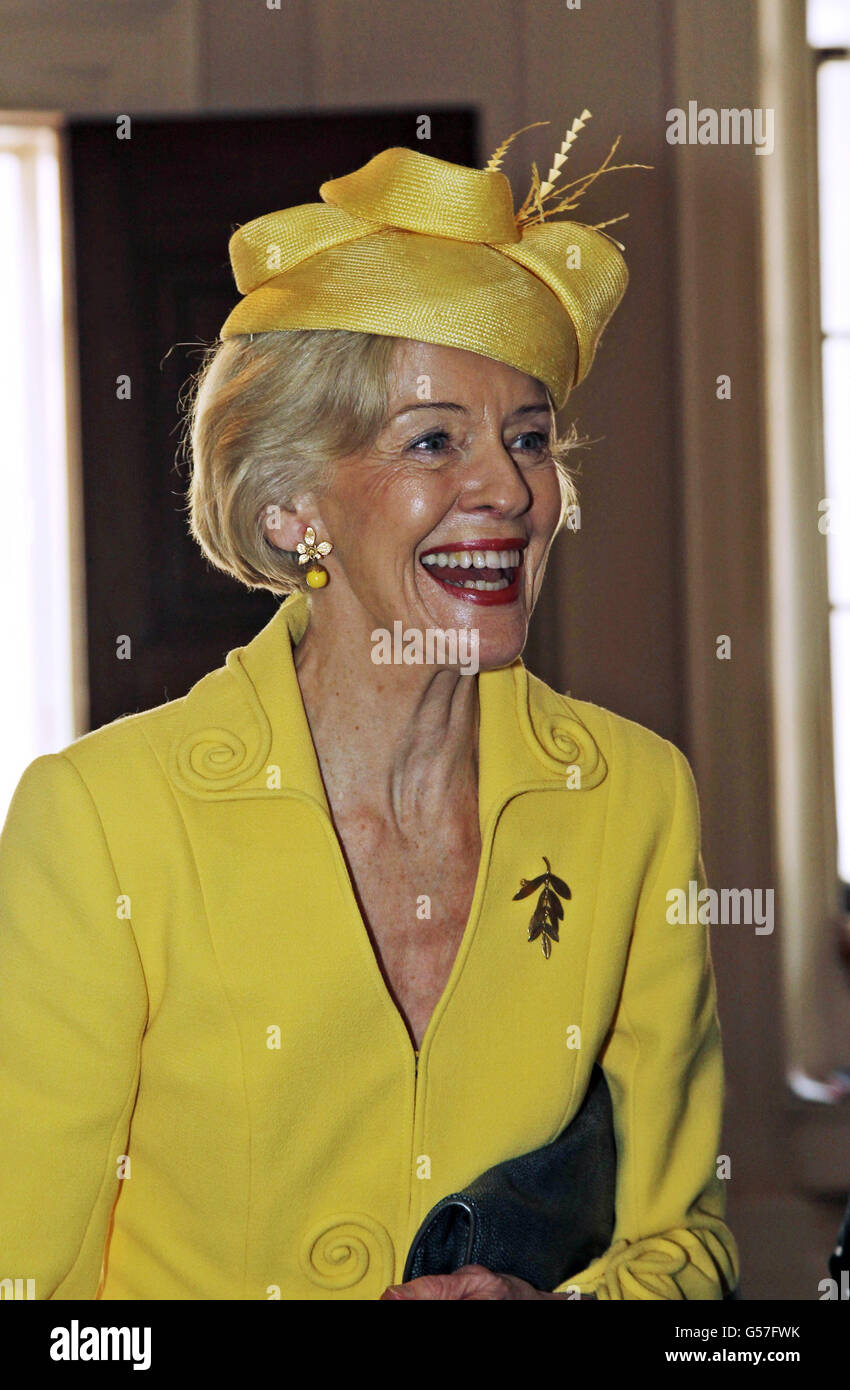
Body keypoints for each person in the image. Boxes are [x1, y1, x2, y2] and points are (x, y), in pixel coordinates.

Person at [0, 121, 740, 1300]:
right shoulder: (96, 820)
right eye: (432, 440)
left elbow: (687, 1243)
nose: (506, 489)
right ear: (295, 506)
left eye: (529, 441)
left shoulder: (632, 795)